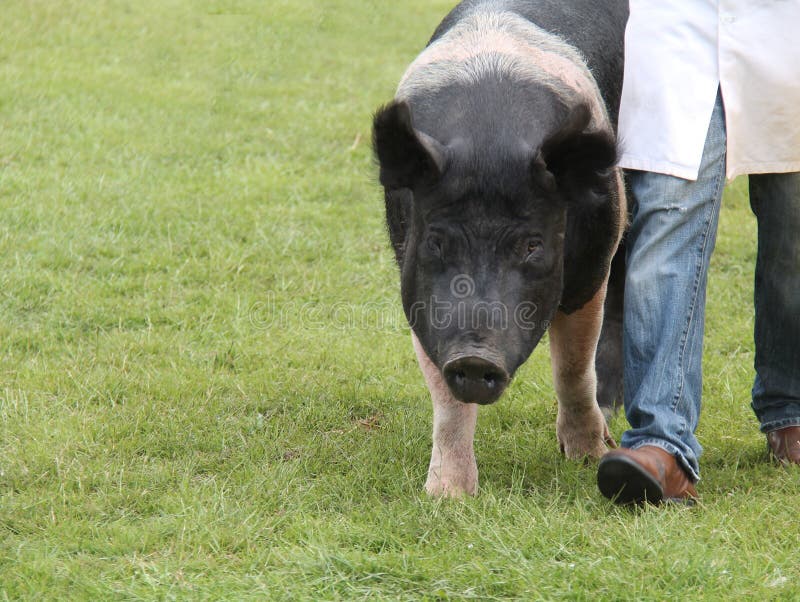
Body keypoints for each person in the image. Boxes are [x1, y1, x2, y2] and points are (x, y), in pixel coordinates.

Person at [596, 2, 800, 505]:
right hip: (676, 24)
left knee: (793, 224)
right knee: (667, 210)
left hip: (787, 28)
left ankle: (791, 406)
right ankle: (661, 444)